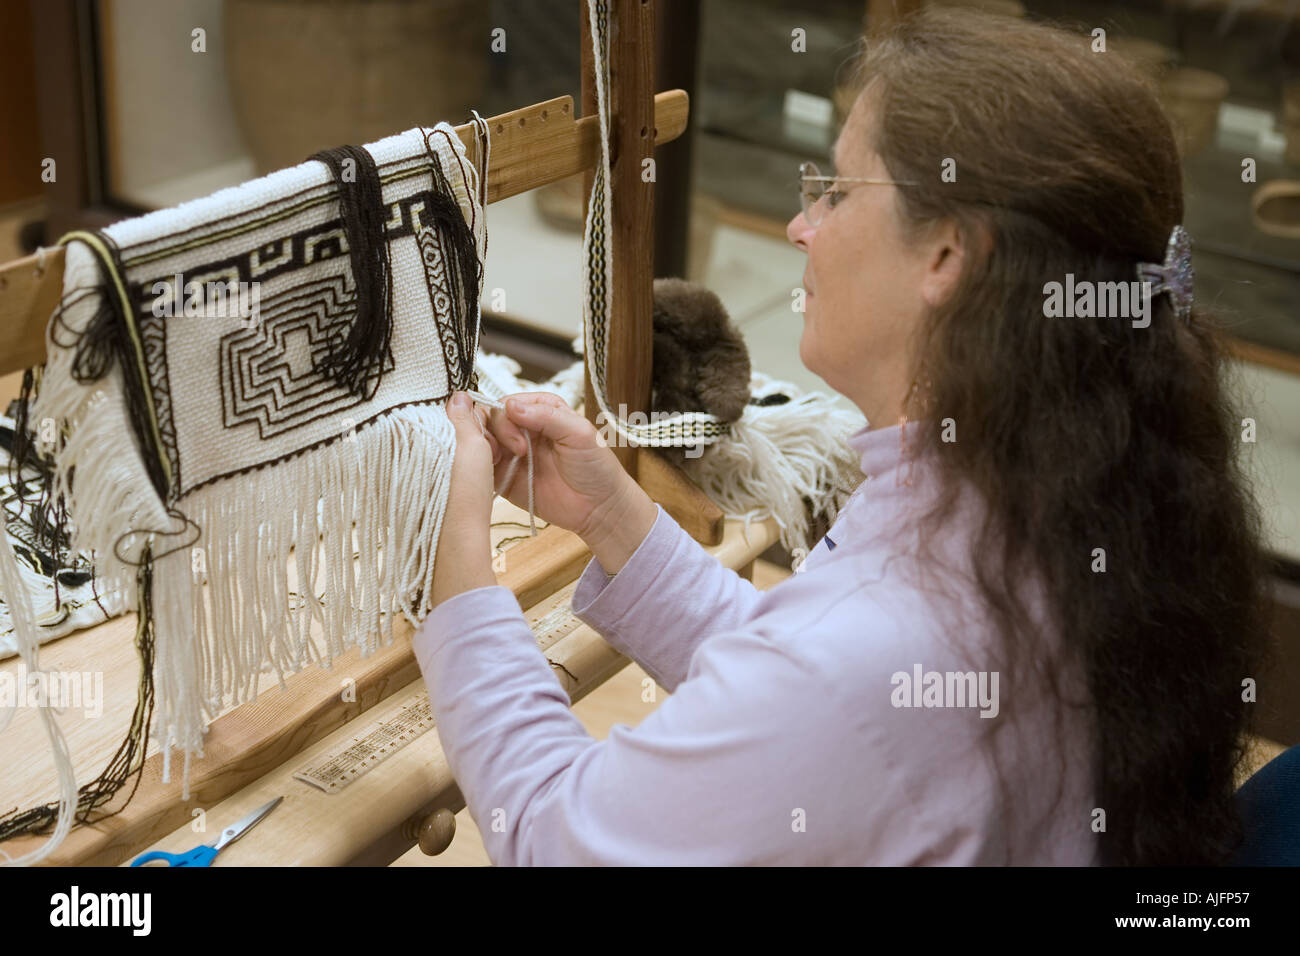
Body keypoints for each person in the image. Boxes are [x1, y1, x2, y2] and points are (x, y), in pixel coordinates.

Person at [416, 7, 1269, 865]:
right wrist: (616, 520)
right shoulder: (1059, 493)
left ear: (948, 257)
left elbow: (558, 840)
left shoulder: (887, 636)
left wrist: (456, 572)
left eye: (836, 190)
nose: (801, 226)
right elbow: (810, 708)